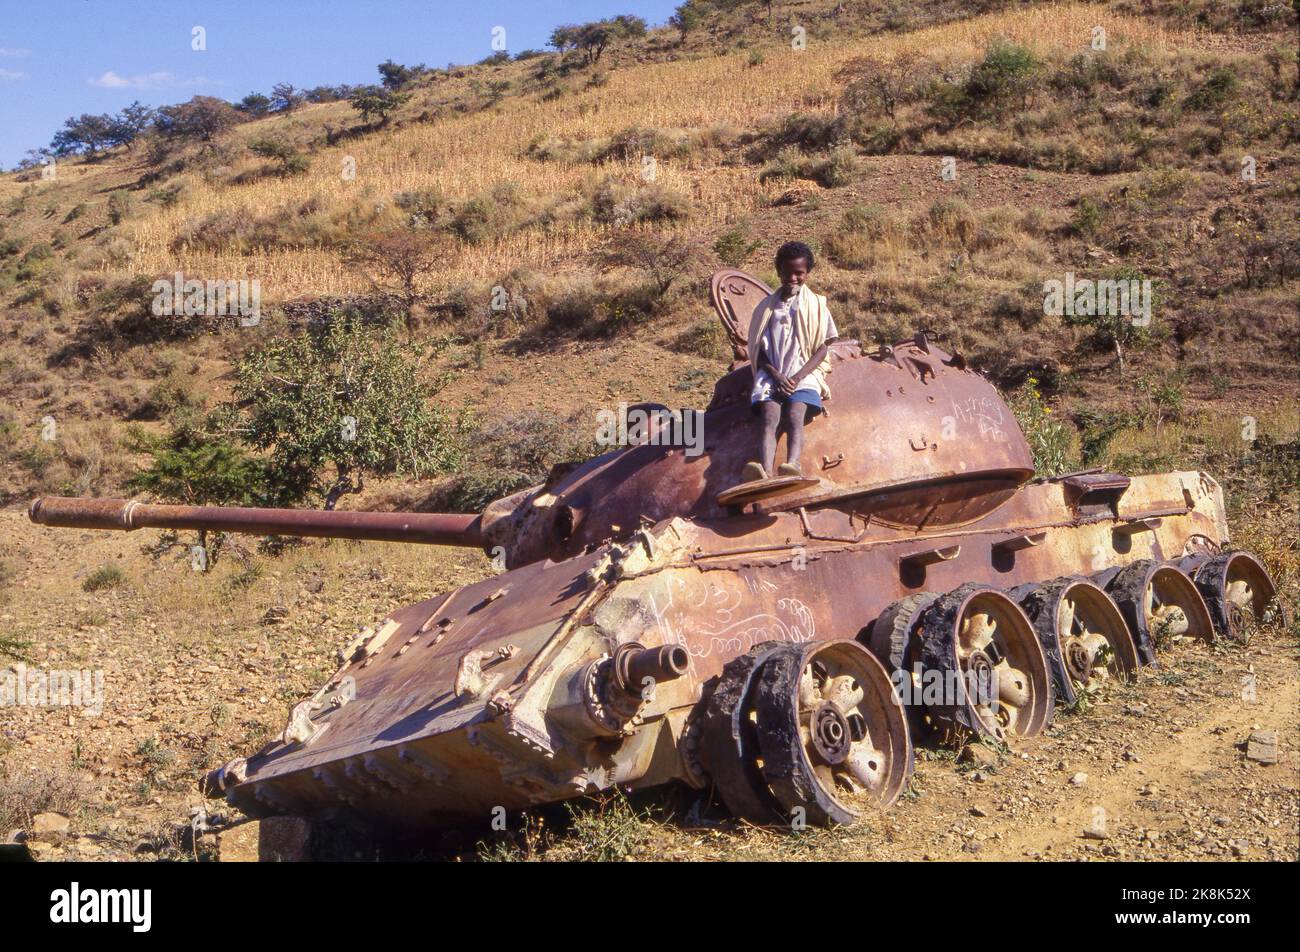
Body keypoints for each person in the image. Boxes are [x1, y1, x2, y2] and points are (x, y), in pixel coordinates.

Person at [742, 241, 838, 482]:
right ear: (778, 272)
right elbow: (757, 349)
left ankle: (792, 464)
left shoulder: (817, 304)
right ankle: (764, 471)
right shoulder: (766, 308)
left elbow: (823, 346)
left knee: (795, 415)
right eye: (787, 273)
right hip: (772, 374)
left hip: (803, 374)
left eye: (799, 273)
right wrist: (776, 376)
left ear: (807, 273)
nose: (793, 278)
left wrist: (796, 377)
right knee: (770, 418)